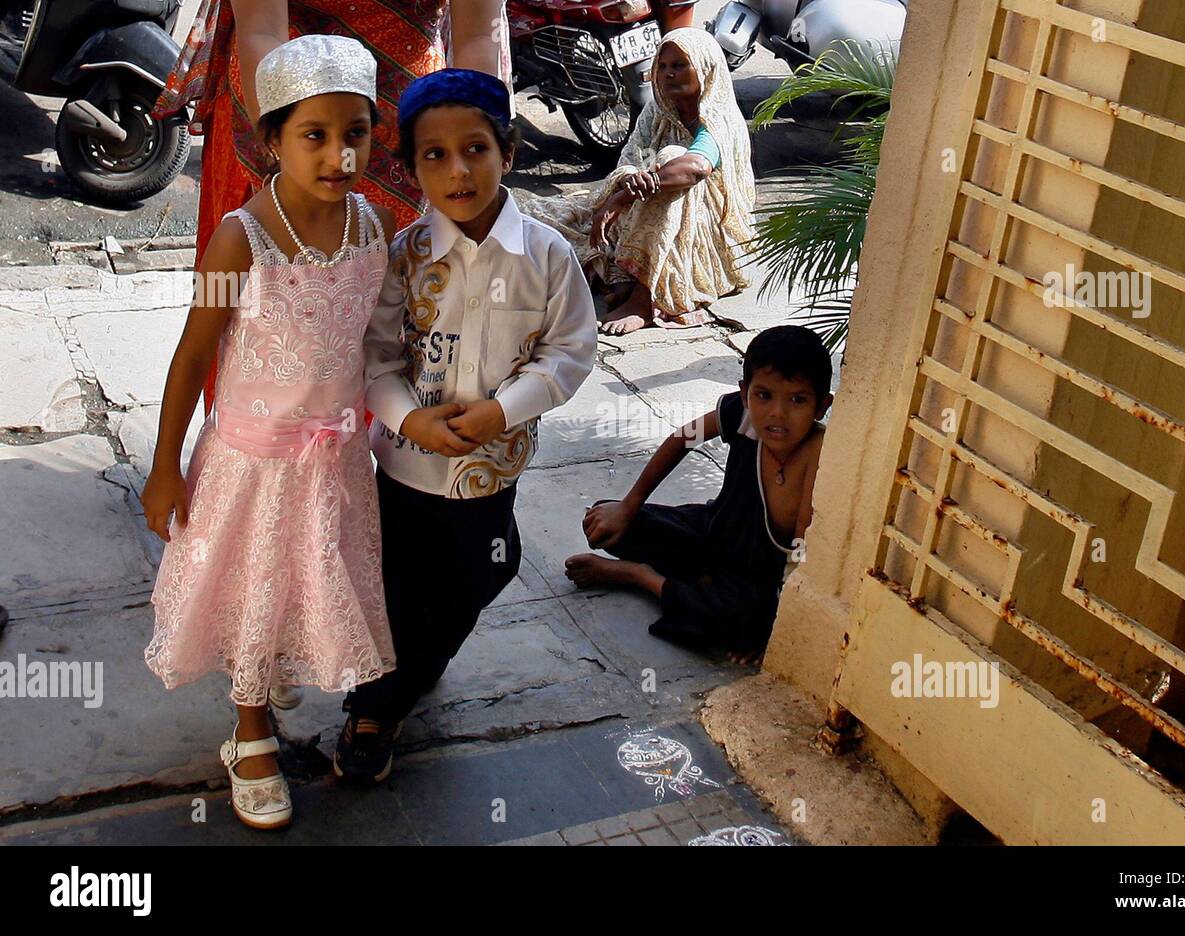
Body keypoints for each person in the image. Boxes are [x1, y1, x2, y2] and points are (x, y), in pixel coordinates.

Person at [141, 35, 398, 830]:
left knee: (306, 576)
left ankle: (274, 669)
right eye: (313, 135)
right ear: (271, 141)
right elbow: (192, 357)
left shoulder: (372, 229)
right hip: (251, 462)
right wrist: (164, 467)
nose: (338, 154)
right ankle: (249, 731)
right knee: (251, 585)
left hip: (335, 460)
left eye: (353, 133)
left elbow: (369, 340)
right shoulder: (238, 238)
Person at [334, 68, 597, 783]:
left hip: (492, 472)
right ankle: (375, 706)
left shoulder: (548, 256)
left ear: (507, 151)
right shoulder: (404, 256)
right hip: (406, 469)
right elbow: (377, 357)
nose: (458, 171)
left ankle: (415, 664)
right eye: (434, 155)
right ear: (413, 164)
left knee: (481, 571)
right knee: (398, 586)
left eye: (475, 149)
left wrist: (502, 411)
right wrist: (411, 418)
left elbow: (572, 351)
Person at [153, 0, 511, 409]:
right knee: (255, 318)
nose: (336, 158)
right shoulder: (243, 232)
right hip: (278, 109)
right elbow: (261, 31)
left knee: (384, 321)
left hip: (402, 123)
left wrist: (465, 161)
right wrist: (287, 174)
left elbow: (478, 37)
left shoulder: (384, 226)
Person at [564, 326, 833, 664]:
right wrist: (629, 506)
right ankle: (695, 583)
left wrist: (774, 627)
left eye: (797, 399)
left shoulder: (816, 453)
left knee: (744, 622)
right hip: (713, 534)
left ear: (822, 406)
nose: (777, 413)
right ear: (745, 391)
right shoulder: (743, 415)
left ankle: (638, 576)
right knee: (605, 520)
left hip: (756, 577)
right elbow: (684, 438)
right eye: (764, 395)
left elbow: (799, 556)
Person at [518, 28, 756, 335]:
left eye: (680, 65)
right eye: (663, 66)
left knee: (672, 161)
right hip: (647, 213)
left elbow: (697, 167)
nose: (668, 74)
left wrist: (630, 194)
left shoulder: (719, 119)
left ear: (706, 68)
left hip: (707, 236)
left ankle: (644, 299)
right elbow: (629, 161)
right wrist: (627, 186)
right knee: (539, 217)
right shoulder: (657, 112)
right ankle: (625, 279)